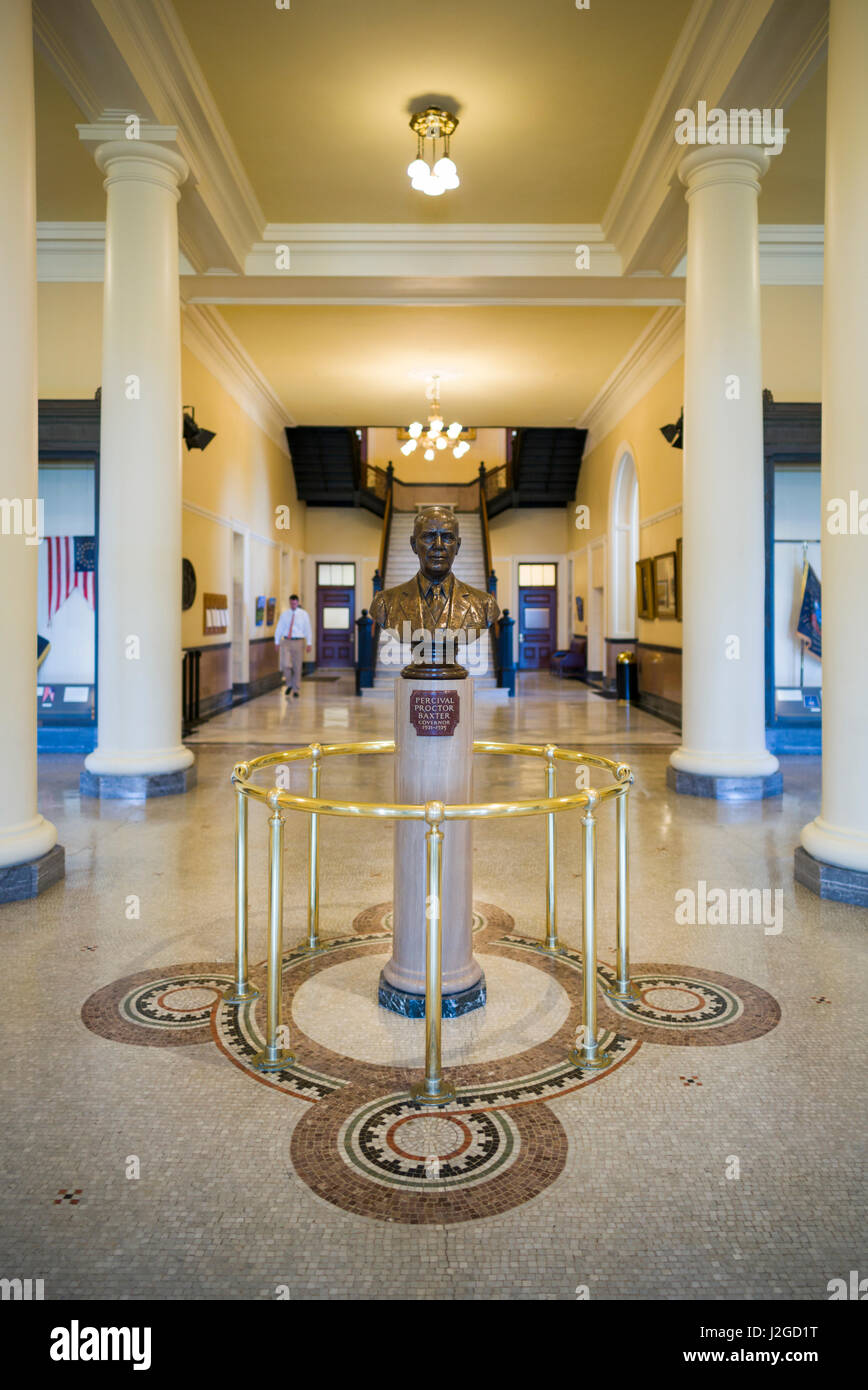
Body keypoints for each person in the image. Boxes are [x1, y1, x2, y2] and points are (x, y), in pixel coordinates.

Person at [369, 506, 498, 669]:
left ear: (457, 546)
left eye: (447, 537)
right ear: (413, 544)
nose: (438, 545)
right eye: (429, 536)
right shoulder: (385, 603)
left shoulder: (484, 604)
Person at [274, 594, 312, 697]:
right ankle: (289, 683)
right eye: (291, 603)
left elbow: (307, 629)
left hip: (298, 641)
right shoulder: (285, 614)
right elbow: (279, 628)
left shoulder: (304, 614)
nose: (293, 605)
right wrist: (276, 642)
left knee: (297, 666)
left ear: (298, 602)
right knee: (285, 664)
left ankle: (295, 689)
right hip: (286, 641)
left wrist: (309, 643)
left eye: (295, 603)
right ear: (289, 602)